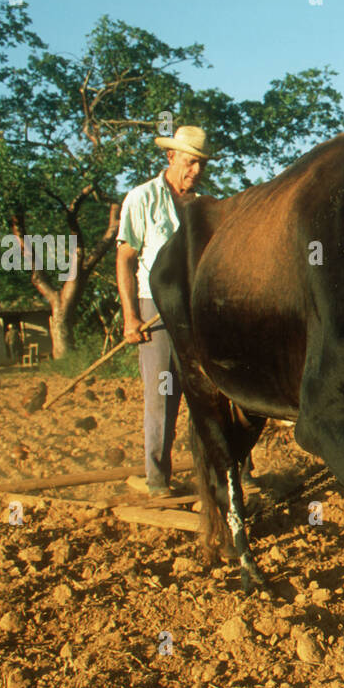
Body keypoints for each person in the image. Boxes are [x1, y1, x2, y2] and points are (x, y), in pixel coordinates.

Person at [116, 125, 214, 496]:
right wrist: (131, 318)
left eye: (201, 165)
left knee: (210, 392)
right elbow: (125, 258)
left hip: (195, 310)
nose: (196, 172)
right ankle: (157, 479)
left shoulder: (205, 207)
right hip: (154, 307)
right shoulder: (141, 198)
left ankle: (224, 473)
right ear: (170, 157)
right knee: (163, 394)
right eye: (190, 163)